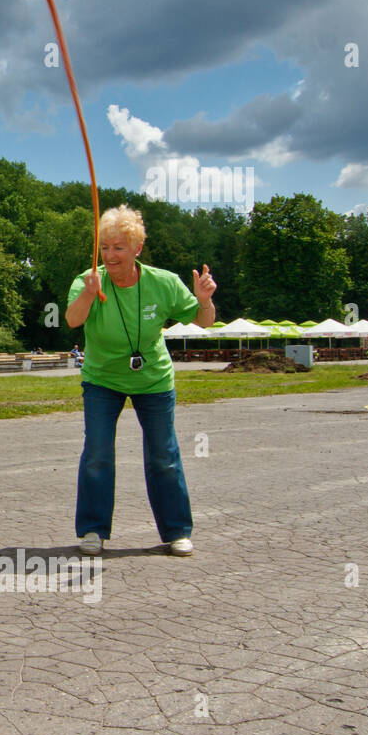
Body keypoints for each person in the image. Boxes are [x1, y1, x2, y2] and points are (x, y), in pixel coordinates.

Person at [64, 204, 216, 557]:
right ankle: (92, 530)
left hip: (153, 380)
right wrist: (89, 292)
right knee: (98, 453)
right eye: (105, 247)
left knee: (164, 454)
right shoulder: (88, 280)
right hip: (102, 379)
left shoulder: (164, 283)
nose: (110, 255)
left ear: (137, 249)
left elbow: (204, 321)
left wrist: (204, 300)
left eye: (119, 247)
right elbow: (72, 320)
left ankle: (177, 531)